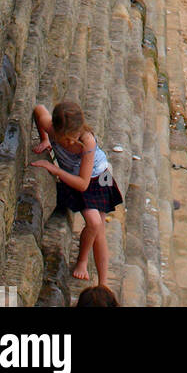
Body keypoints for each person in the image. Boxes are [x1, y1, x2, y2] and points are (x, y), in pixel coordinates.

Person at [31, 101, 123, 287]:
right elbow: (39, 109)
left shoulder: (87, 141)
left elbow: (82, 184)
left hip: (96, 176)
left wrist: (54, 169)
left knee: (98, 227)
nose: (71, 143)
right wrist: (45, 139)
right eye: (66, 140)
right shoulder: (52, 128)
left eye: (74, 138)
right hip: (76, 176)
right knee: (95, 223)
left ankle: (101, 282)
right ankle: (84, 262)